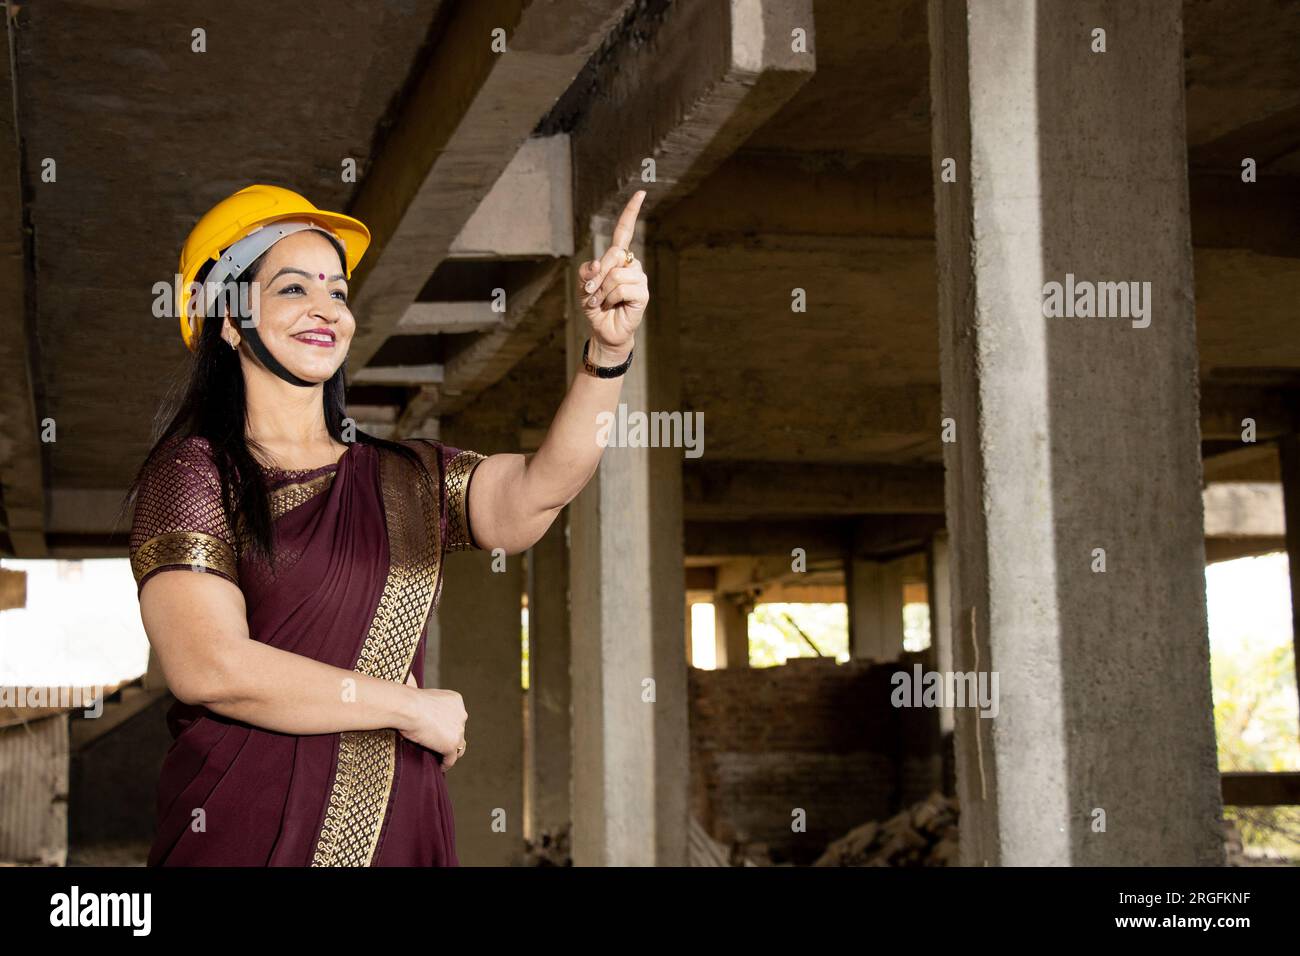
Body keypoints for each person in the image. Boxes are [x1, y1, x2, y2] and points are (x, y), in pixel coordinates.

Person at [129, 183, 648, 866]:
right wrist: (408, 709)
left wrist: (608, 353)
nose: (326, 311)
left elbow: (537, 493)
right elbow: (208, 667)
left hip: (401, 832)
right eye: (292, 289)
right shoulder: (194, 471)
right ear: (229, 318)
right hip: (246, 834)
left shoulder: (404, 475)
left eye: (337, 293)